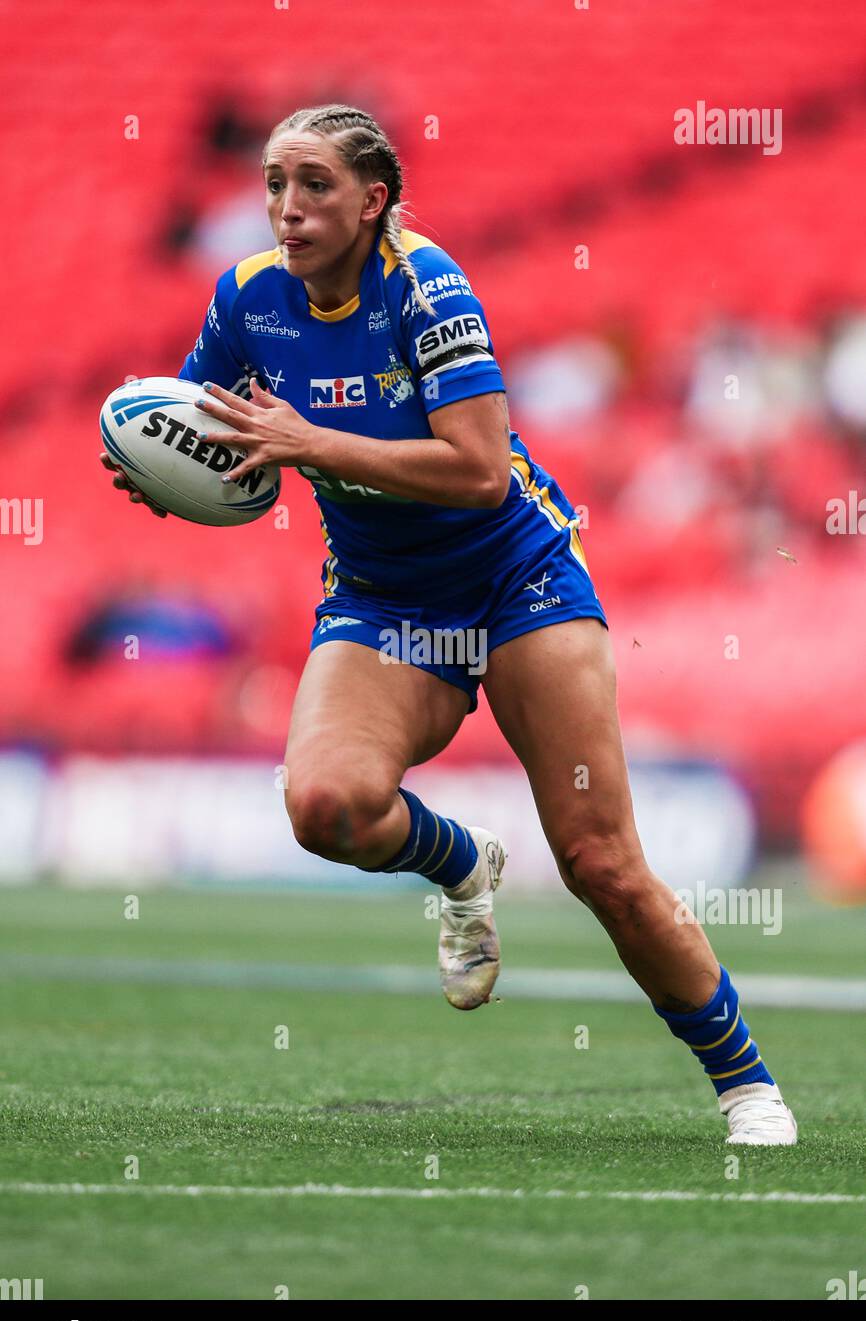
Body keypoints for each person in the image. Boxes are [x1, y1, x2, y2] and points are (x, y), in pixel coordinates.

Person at [102, 104, 796, 1145]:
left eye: (314, 185)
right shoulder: (246, 297)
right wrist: (163, 472)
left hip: (515, 580)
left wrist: (310, 443)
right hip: (383, 598)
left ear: (372, 199)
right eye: (274, 185)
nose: (287, 209)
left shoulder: (427, 288)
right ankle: (458, 862)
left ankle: (745, 1084)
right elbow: (213, 433)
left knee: (600, 863)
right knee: (323, 805)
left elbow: (476, 472)